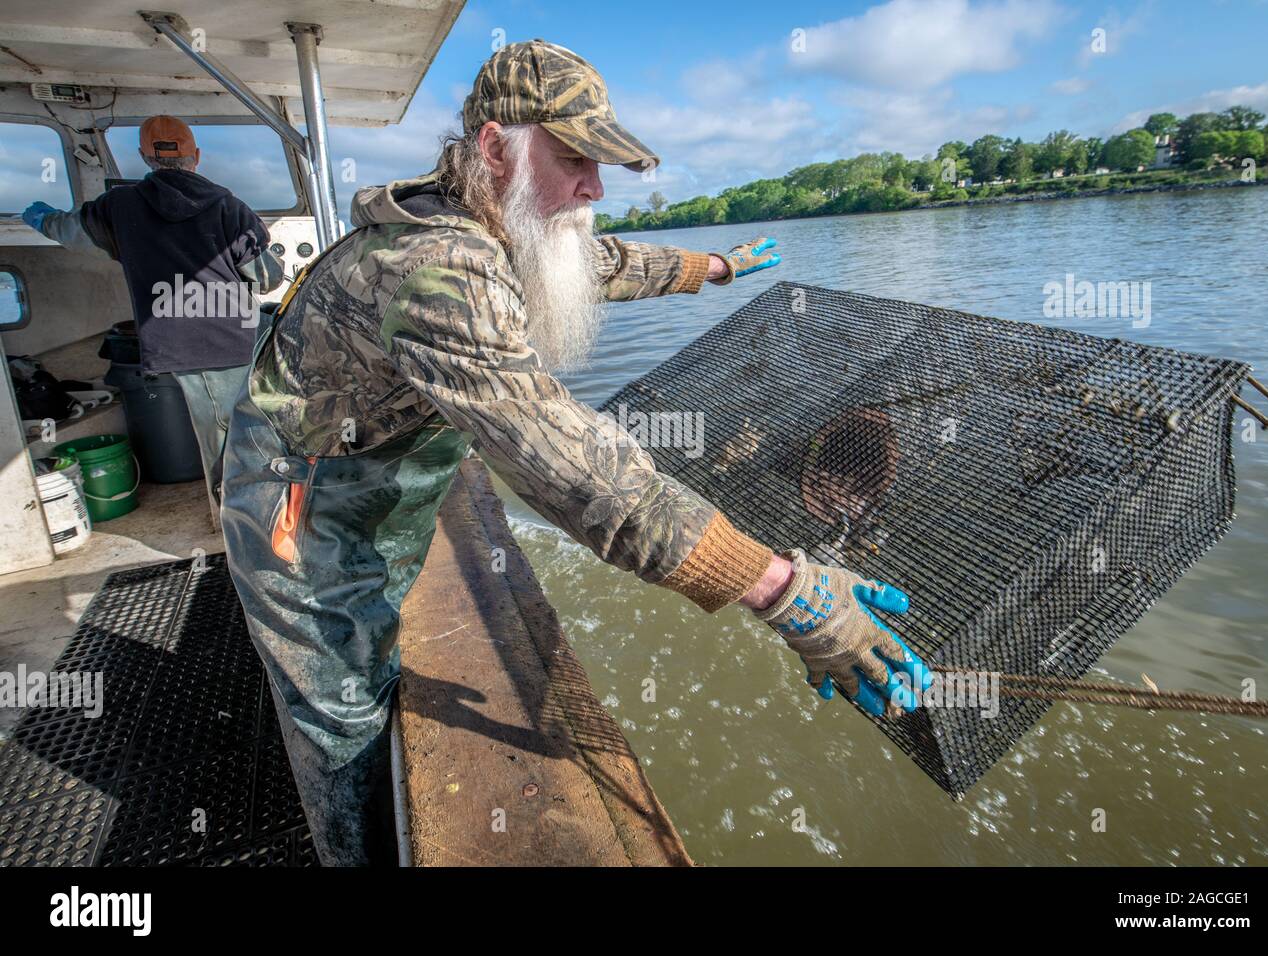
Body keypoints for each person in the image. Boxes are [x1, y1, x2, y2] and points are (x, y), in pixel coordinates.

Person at [220, 39, 931, 865]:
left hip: (383, 469)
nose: (596, 187)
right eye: (574, 160)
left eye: (602, 164)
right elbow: (576, 469)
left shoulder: (497, 218)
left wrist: (715, 265)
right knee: (339, 709)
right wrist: (785, 590)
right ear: (493, 148)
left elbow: (605, 262)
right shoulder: (438, 269)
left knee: (378, 646)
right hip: (301, 501)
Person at [22, 115, 284, 528]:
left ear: (145, 157)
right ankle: (240, 529)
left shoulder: (118, 205)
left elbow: (71, 231)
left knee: (215, 431)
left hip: (172, 343)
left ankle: (239, 518)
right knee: (236, 435)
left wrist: (42, 218)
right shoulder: (228, 205)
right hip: (229, 338)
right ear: (195, 157)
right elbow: (266, 278)